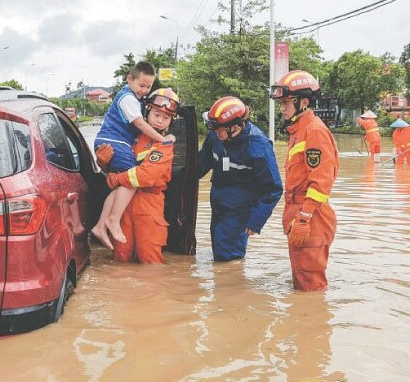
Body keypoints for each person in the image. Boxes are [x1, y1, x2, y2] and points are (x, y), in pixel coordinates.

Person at [91, 62, 176, 249]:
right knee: (121, 257)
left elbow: (143, 176)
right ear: (147, 112)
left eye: (166, 117)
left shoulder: (163, 144)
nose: (159, 121)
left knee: (149, 257)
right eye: (156, 114)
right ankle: (108, 222)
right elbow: (117, 167)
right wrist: (103, 164)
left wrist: (115, 178)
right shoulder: (135, 134)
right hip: (125, 209)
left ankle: (104, 223)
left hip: (147, 207)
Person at [270, 70, 339, 291]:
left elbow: (321, 181)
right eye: (281, 103)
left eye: (286, 102)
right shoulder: (299, 131)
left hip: (311, 217)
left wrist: (304, 217)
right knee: (302, 282)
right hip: (300, 214)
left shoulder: (314, 131)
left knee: (311, 288)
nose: (282, 107)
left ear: (304, 102)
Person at [197, 96, 283, 262]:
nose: (215, 133)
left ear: (235, 128)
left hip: (240, 210)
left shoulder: (258, 147)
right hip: (218, 203)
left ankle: (231, 277)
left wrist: (256, 220)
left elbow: (273, 188)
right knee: (218, 249)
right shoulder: (216, 137)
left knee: (227, 258)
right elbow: (200, 164)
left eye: (218, 129)